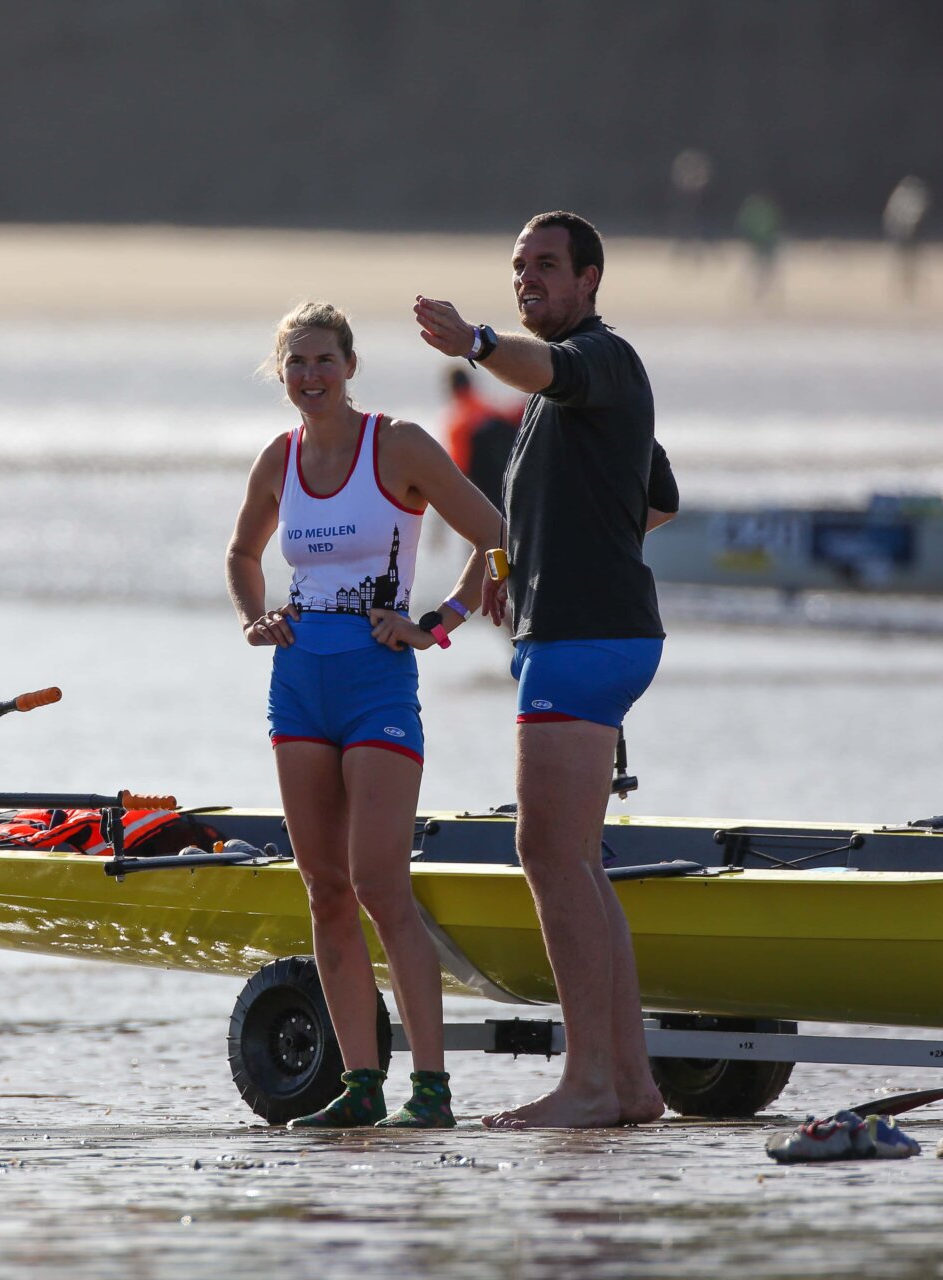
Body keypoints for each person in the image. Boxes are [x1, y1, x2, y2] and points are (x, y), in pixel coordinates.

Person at [413, 210, 679, 1129]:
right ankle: (632, 1083)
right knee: (578, 862)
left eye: (547, 267)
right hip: (587, 630)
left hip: (585, 639)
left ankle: (590, 1084)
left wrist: (477, 339)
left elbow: (544, 365)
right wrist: (517, 564)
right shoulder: (561, 404)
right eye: (518, 267)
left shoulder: (600, 361)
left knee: (544, 851)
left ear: (590, 279)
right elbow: (658, 501)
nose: (529, 278)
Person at [226, 301, 503, 1129]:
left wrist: (438, 626)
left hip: (378, 681)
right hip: (299, 680)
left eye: (323, 361)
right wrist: (256, 616)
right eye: (296, 365)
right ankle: (358, 1087)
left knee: (383, 884)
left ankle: (431, 1090)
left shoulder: (400, 445)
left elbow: (497, 535)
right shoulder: (277, 460)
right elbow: (242, 553)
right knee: (325, 893)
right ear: (282, 376)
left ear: (349, 367)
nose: (309, 377)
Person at [440, 368, 521, 509]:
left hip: (485, 497)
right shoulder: (491, 409)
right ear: (470, 384)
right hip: (512, 484)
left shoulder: (457, 423)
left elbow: (457, 470)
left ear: (451, 389)